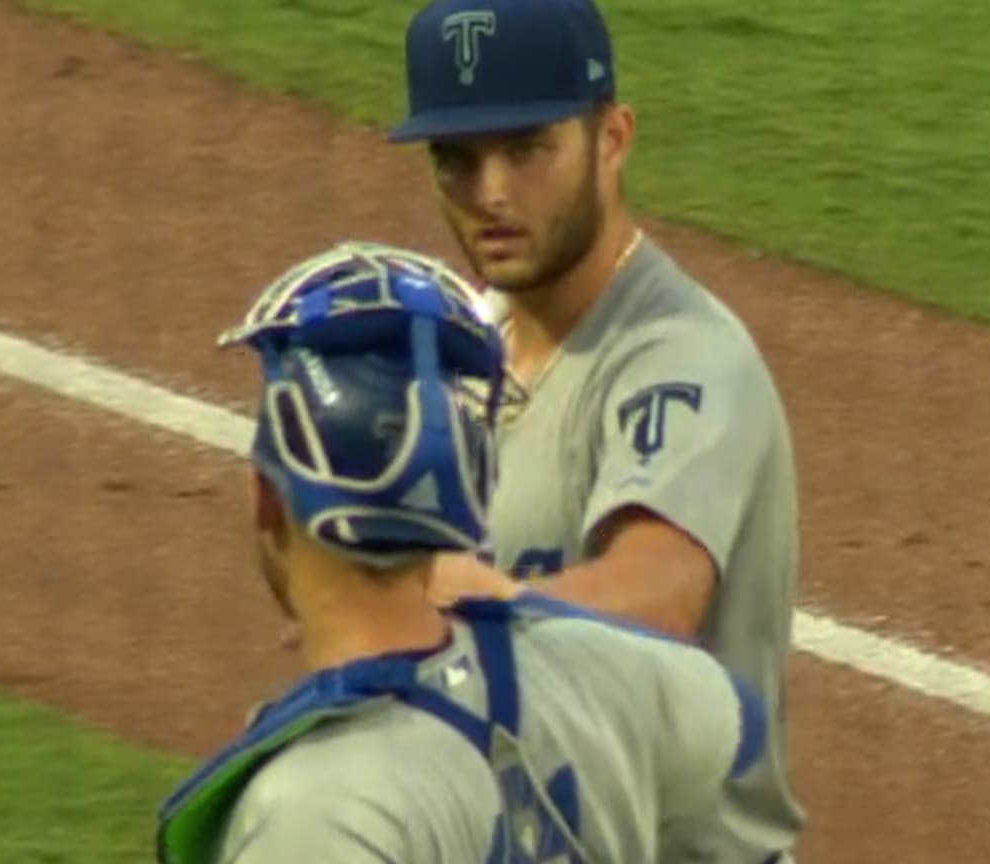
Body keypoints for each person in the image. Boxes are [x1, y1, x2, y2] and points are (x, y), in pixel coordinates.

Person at [154, 241, 766, 864]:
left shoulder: (314, 813)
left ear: (267, 501)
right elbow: (734, 722)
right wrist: (520, 608)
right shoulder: (591, 675)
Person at [386, 0, 807, 860]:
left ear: (612, 138)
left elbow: (659, 594)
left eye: (527, 149)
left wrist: (469, 607)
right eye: (456, 160)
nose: (489, 193)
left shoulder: (681, 357)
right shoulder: (461, 348)